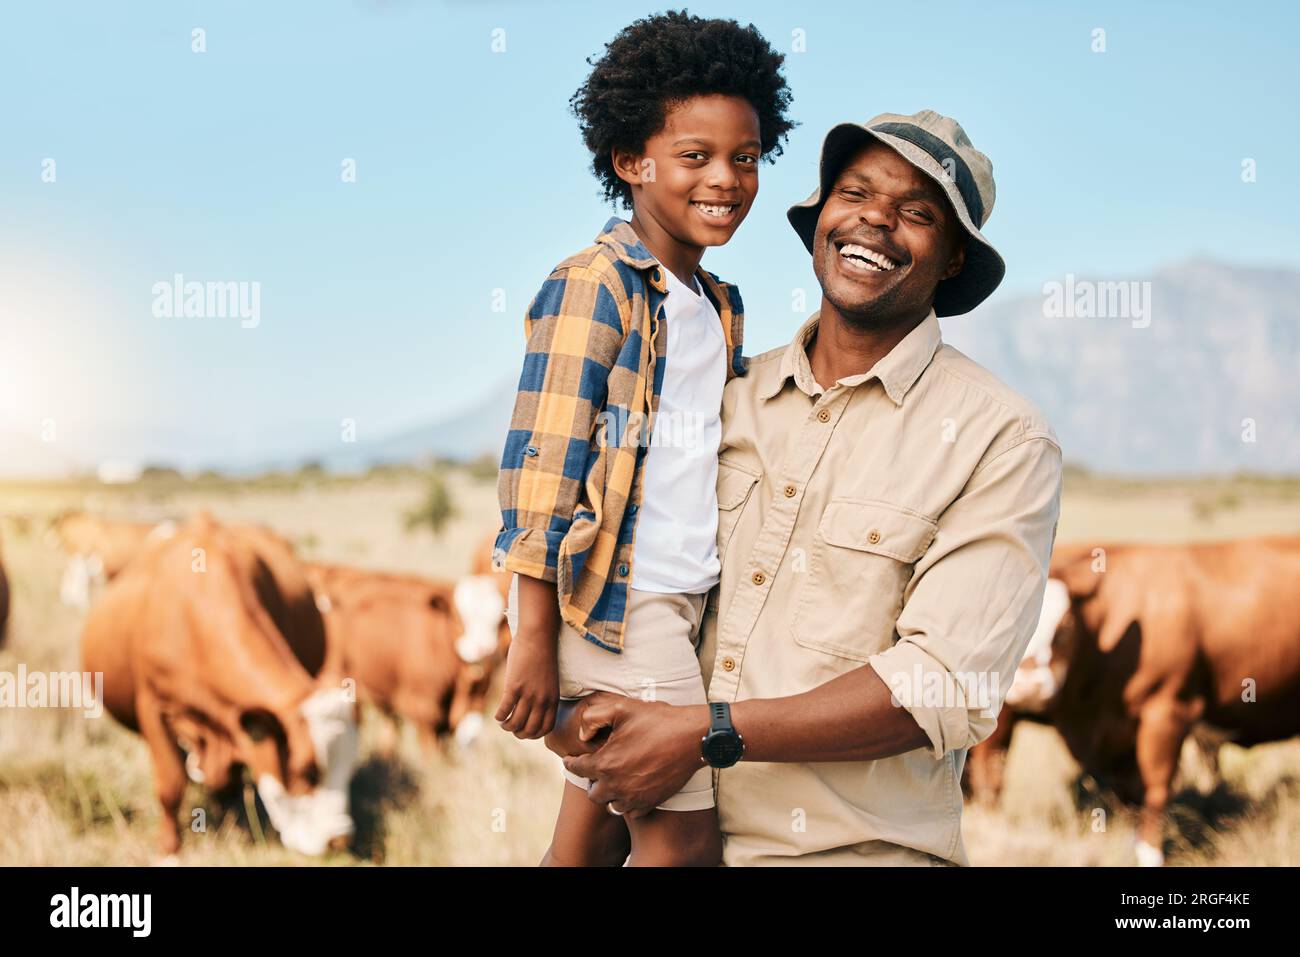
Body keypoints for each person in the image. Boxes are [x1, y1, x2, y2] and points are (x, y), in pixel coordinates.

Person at [551, 109, 1064, 866]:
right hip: (662, 841)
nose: (876, 221)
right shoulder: (724, 392)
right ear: (822, 216)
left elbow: (944, 682)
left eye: (917, 212)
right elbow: (636, 595)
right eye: (855, 193)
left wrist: (707, 731)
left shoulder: (1002, 438)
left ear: (952, 259)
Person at [491, 10, 795, 866]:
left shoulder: (717, 304)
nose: (726, 179)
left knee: (587, 841)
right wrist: (534, 635)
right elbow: (541, 462)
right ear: (632, 162)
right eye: (694, 157)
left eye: (745, 157)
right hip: (623, 607)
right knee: (686, 844)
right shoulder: (595, 286)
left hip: (682, 601)